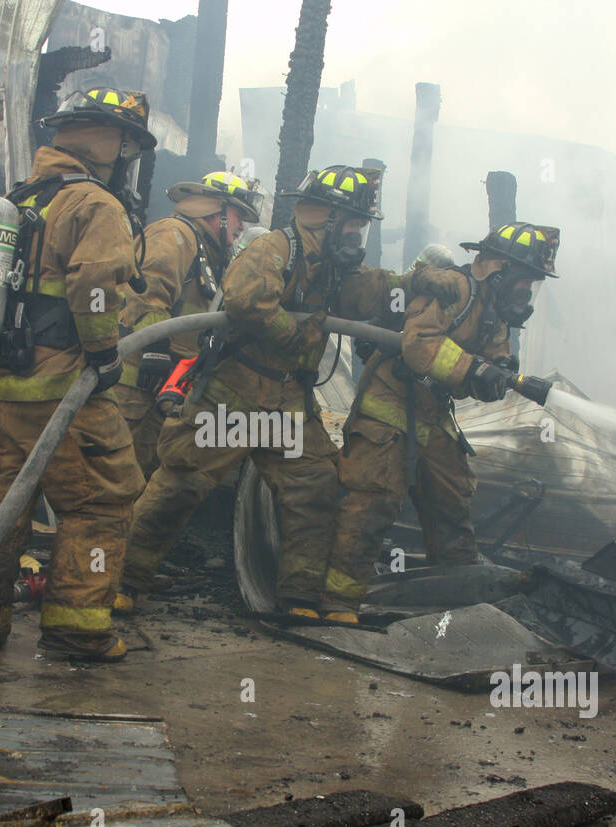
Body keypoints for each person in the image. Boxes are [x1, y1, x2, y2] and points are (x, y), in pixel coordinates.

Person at [116, 165, 422, 619]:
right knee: (182, 485)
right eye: (354, 223)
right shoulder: (276, 247)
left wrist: (412, 285)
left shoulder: (330, 268)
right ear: (327, 217)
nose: (357, 234)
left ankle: (298, 599)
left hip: (288, 404)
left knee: (313, 491)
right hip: (233, 392)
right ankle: (122, 582)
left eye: (361, 225)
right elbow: (247, 299)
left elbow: (364, 295)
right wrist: (294, 336)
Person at [0, 87, 156, 661]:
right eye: (126, 144)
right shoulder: (95, 205)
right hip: (61, 388)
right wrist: (105, 353)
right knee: (102, 502)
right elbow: (92, 286)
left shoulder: (21, 198)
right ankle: (77, 631)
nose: (128, 157)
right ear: (109, 140)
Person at [321, 222, 561, 623]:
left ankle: (458, 604)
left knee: (451, 503)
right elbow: (420, 343)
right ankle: (337, 606)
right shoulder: (453, 289)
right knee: (373, 502)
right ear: (499, 271)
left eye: (532, 286)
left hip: (434, 412)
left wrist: (497, 371)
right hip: (389, 401)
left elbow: (485, 364)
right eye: (524, 282)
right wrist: (473, 369)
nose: (526, 293)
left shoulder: (493, 312)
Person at [116, 171, 264, 477]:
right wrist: (156, 348)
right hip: (132, 384)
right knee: (117, 478)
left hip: (167, 388)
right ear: (216, 210)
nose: (242, 226)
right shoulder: (174, 235)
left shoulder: (212, 254)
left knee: (144, 476)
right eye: (238, 215)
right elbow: (145, 294)